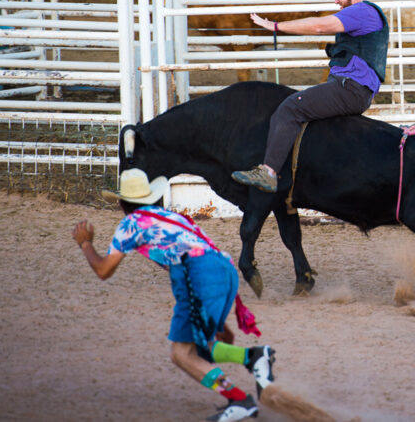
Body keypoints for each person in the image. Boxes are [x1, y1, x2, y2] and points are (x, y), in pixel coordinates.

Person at [72, 168, 275, 422]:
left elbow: (103, 270)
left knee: (181, 354)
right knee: (202, 347)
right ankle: (254, 357)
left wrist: (85, 243)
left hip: (196, 273)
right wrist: (219, 315)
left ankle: (239, 399)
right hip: (224, 270)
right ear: (150, 198)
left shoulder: (131, 224)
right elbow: (207, 250)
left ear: (122, 204)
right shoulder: (171, 217)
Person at [231, 0, 388, 193]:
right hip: (351, 88)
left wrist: (276, 26)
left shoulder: (362, 11)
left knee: (290, 108)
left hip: (350, 89)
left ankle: (269, 172)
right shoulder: (362, 15)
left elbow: (318, 26)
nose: (336, 1)